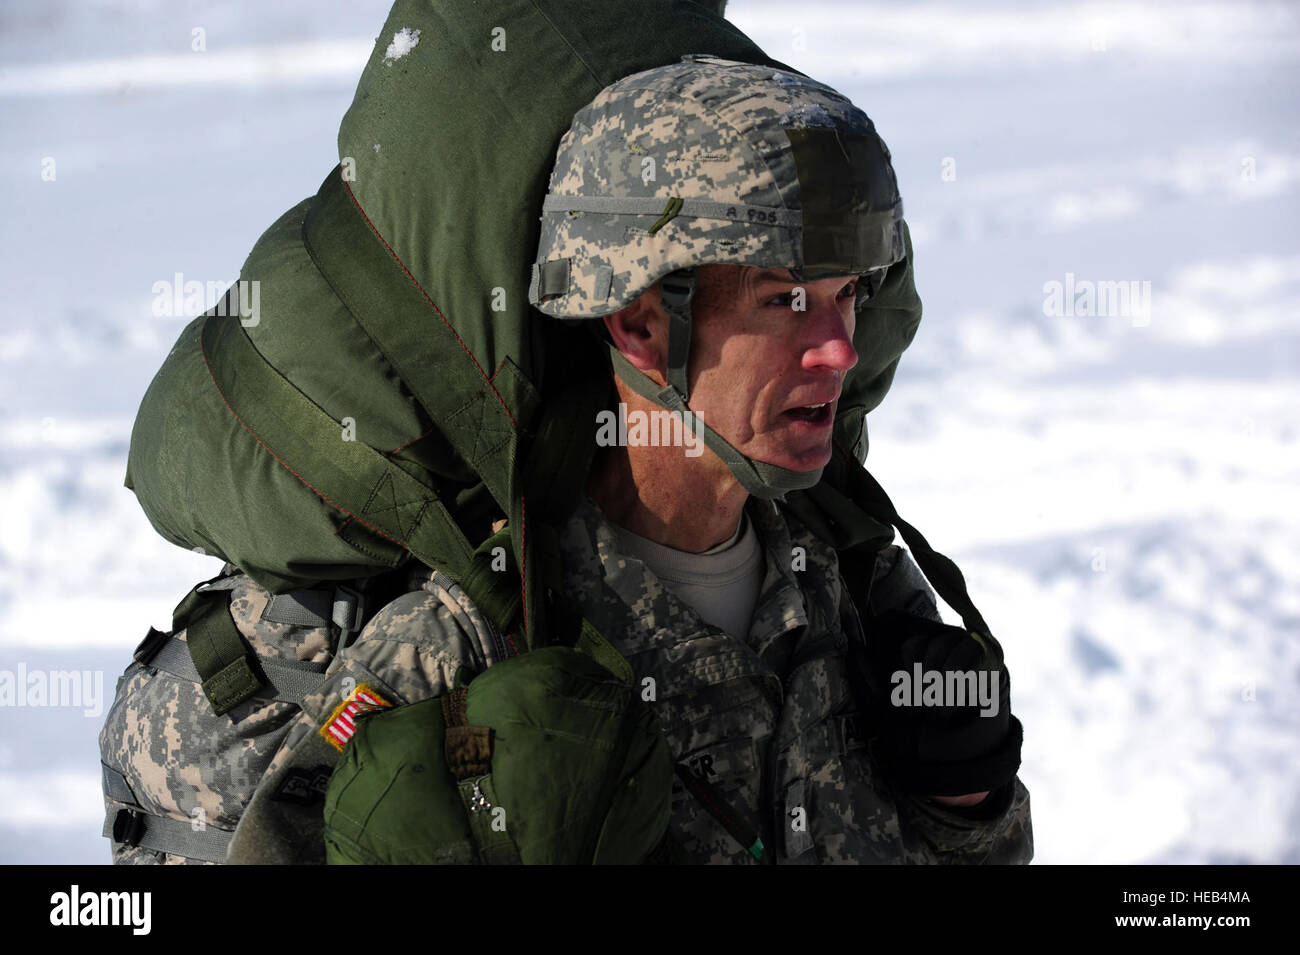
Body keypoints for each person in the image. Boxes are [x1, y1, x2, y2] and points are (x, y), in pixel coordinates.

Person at [221, 56, 1031, 864]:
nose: (840, 349)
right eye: (785, 298)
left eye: (849, 293)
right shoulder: (473, 642)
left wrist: (972, 802)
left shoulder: (852, 582)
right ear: (641, 325)